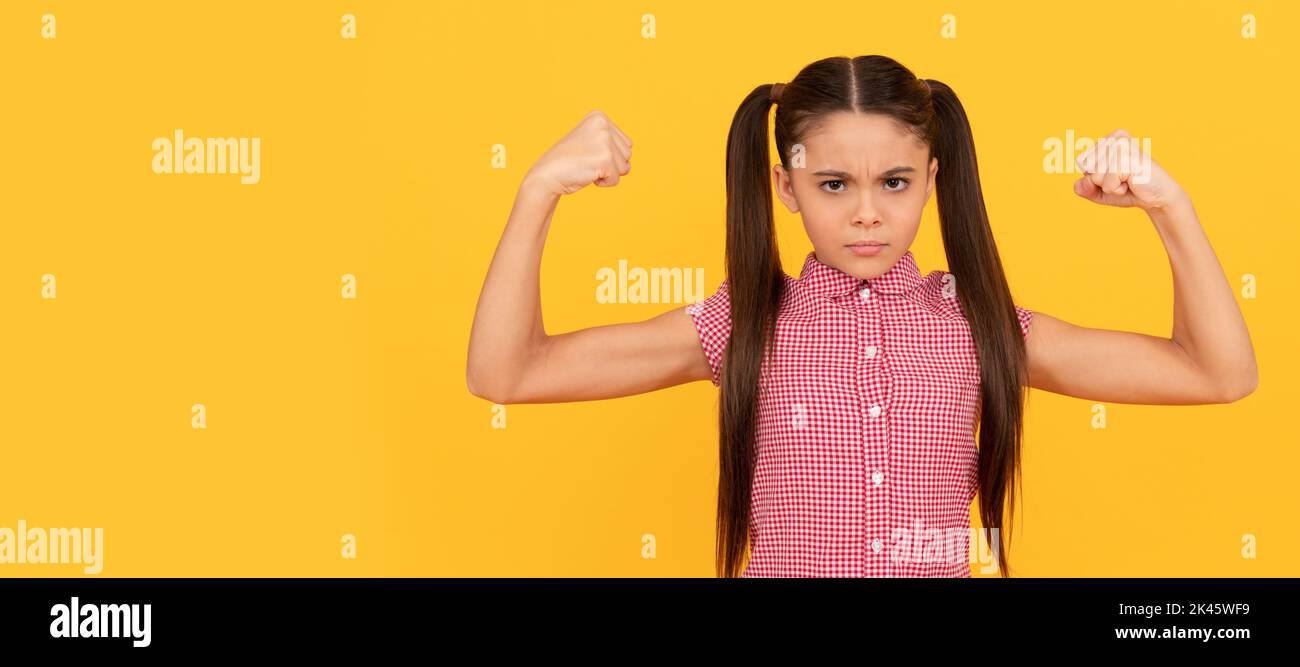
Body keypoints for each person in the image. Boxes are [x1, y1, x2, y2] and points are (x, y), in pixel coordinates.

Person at [465, 55, 1258, 578]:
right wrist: (537, 189)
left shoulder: (982, 329)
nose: (869, 214)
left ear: (932, 180)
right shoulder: (742, 325)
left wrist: (1170, 207)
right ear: (787, 187)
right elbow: (507, 372)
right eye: (835, 184)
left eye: (897, 182)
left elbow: (1217, 373)